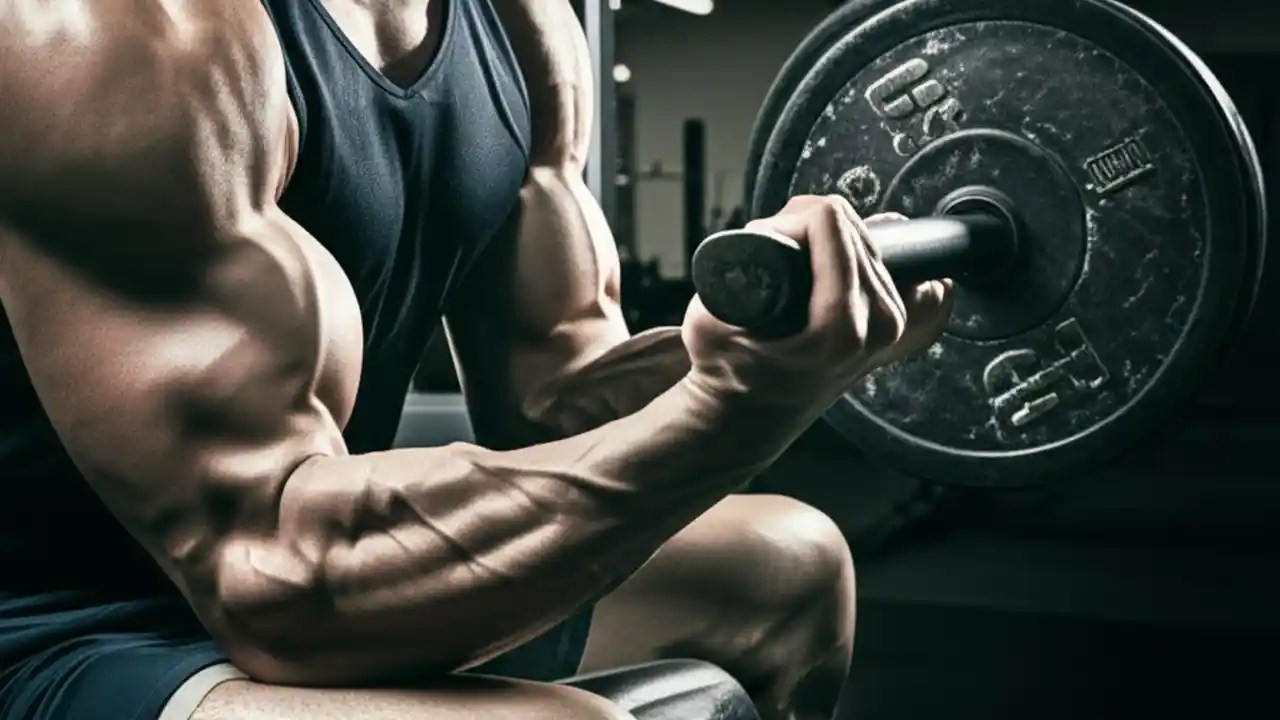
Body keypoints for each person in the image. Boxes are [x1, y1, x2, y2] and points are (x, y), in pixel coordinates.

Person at [0, 1, 953, 718]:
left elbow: (561, 404)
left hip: (284, 567)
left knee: (785, 567)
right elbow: (276, 573)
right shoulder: (123, 36)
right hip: (62, 626)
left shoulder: (517, 22)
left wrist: (783, 344)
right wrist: (735, 408)